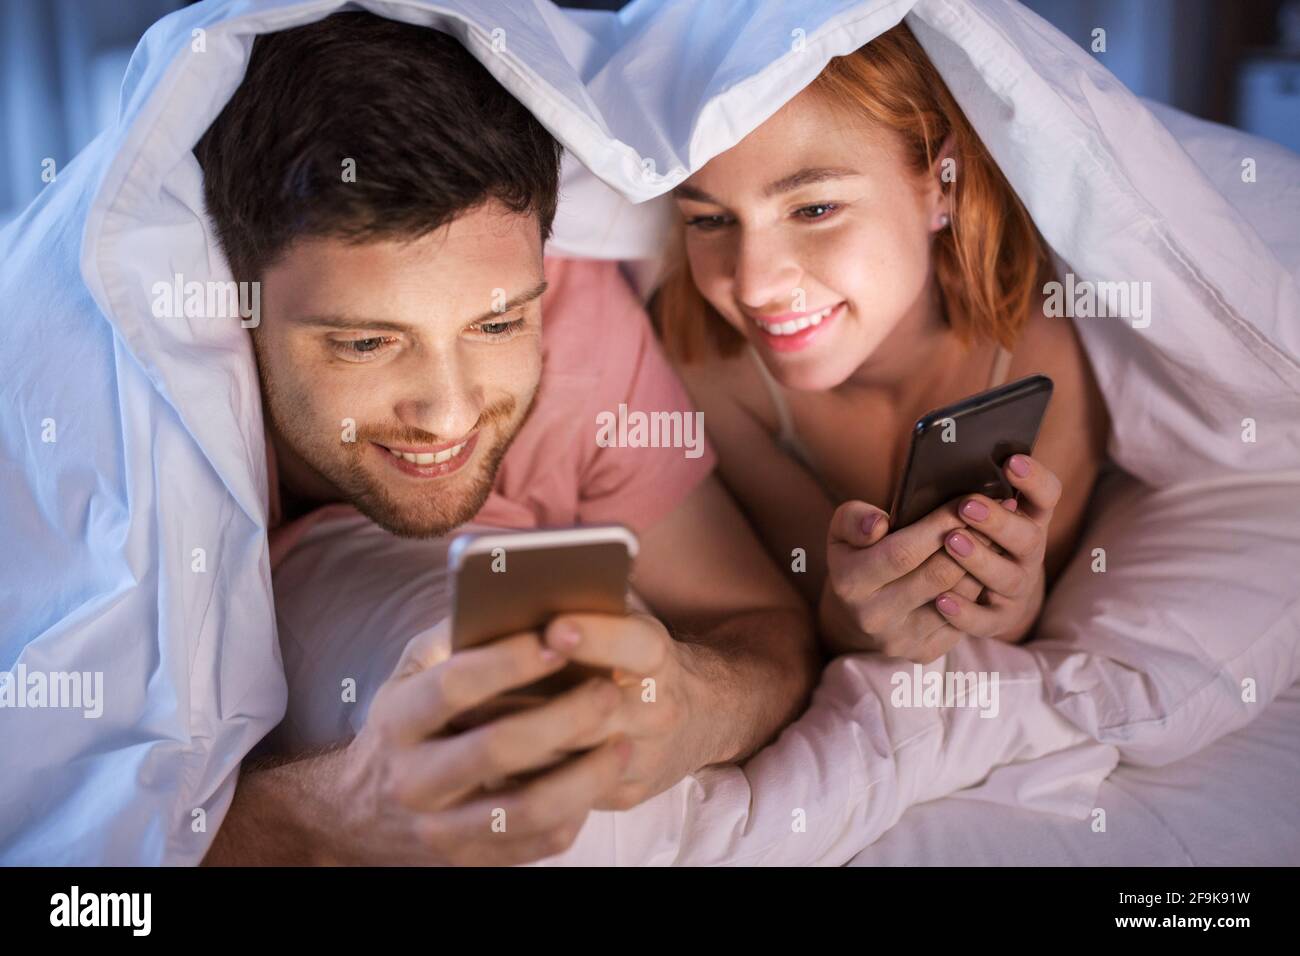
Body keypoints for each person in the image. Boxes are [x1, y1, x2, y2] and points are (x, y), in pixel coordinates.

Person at [129, 11, 815, 865]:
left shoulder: (580, 332)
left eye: (497, 325)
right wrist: (336, 810)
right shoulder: (129, 428)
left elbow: (763, 625)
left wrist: (696, 707)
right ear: (239, 299)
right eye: (366, 342)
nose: (449, 416)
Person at [653, 21, 1111, 664]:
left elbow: (1020, 617)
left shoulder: (1047, 347)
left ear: (941, 183)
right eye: (708, 219)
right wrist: (846, 620)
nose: (753, 285)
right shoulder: (709, 372)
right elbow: (818, 603)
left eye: (814, 209)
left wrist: (1014, 603)